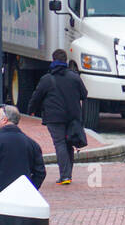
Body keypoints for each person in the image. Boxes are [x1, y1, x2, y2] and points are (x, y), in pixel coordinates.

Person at [27, 49, 88, 185]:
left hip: (54, 118)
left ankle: (65, 176)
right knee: (69, 144)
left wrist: (30, 110)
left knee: (59, 143)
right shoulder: (74, 77)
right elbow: (84, 94)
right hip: (72, 117)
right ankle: (67, 175)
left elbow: (36, 96)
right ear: (65, 61)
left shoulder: (47, 79)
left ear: (53, 60)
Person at [0, 105, 45, 205]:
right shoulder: (32, 144)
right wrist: (29, 190)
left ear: (5, 120)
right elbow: (40, 172)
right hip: (22, 199)